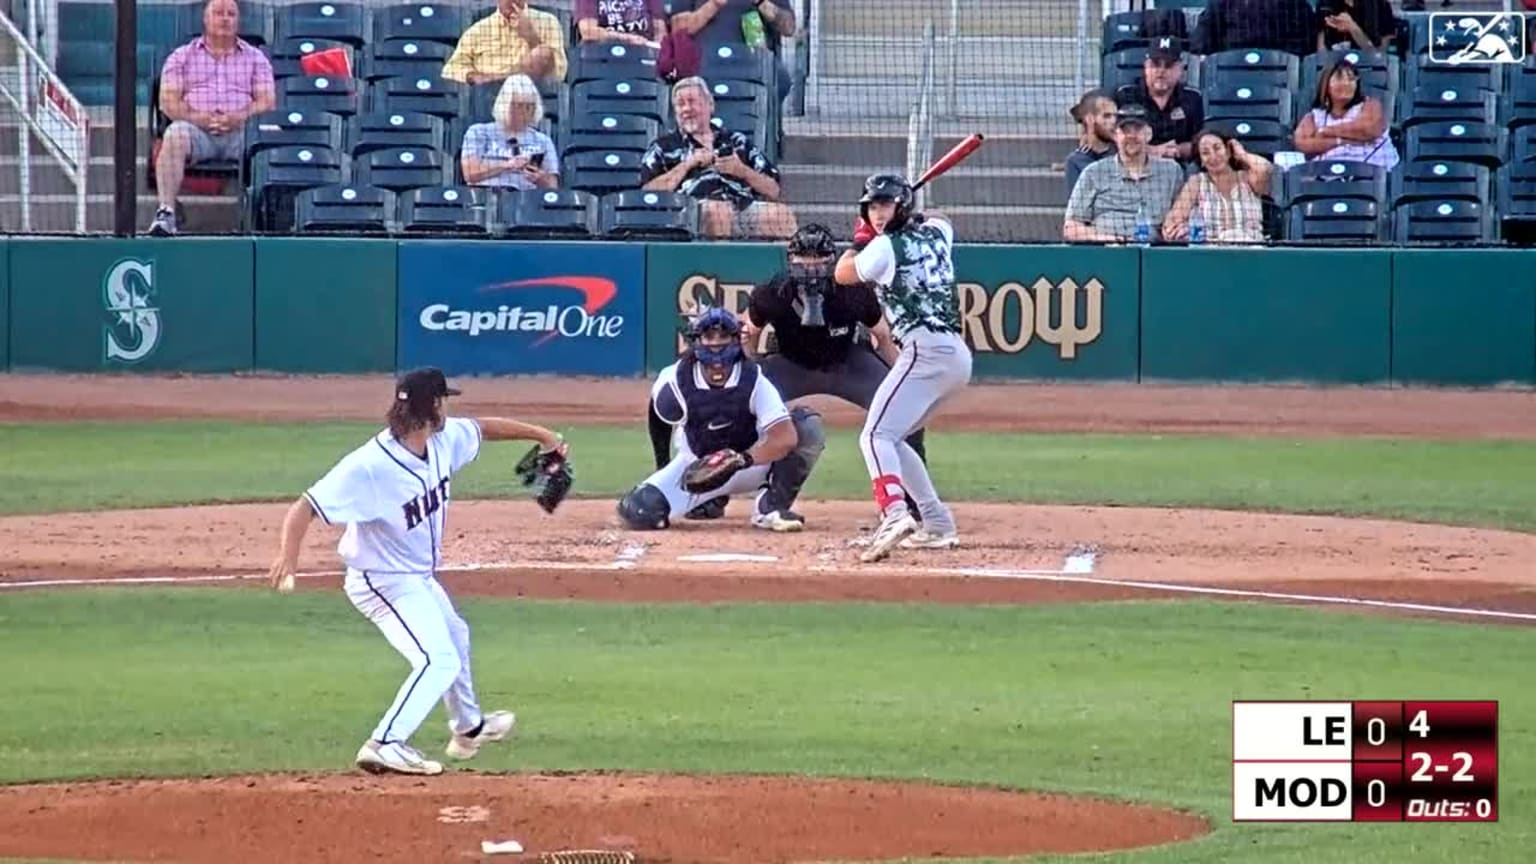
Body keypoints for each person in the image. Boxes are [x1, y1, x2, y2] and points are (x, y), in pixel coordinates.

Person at [265, 368, 570, 776]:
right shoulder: (369, 466)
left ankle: (468, 729)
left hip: (415, 576)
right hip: (380, 581)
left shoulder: (441, 441)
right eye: (445, 399)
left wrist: (544, 435)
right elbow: (305, 506)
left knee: (456, 636)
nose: (450, 406)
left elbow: (484, 428)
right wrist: (289, 556)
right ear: (434, 406)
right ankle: (385, 742)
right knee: (437, 659)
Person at [646, 224, 931, 528]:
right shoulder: (773, 292)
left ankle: (913, 499)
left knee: (904, 412)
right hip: (791, 364)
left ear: (831, 259)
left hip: (847, 362)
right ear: (790, 260)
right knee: (734, 408)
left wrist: (905, 383)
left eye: (818, 257)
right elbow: (749, 336)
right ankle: (712, 493)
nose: (810, 265)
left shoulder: (852, 290)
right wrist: (744, 381)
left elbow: (882, 338)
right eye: (802, 257)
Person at [833, 175, 972, 562]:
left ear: (902, 208)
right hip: (955, 356)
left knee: (873, 436)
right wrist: (902, 211)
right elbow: (941, 217)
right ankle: (937, 523)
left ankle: (894, 513)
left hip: (924, 350)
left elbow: (842, 274)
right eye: (871, 207)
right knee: (894, 436)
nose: (876, 213)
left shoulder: (882, 249)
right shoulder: (939, 233)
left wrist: (859, 239)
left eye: (884, 206)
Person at [618, 307, 824, 531]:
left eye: (723, 335)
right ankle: (710, 499)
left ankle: (770, 507)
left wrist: (740, 460)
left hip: (752, 463)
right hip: (696, 469)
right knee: (639, 510)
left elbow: (784, 437)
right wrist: (663, 465)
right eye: (708, 336)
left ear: (735, 339)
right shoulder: (675, 379)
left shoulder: (753, 379)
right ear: (696, 340)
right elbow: (659, 417)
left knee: (807, 426)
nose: (716, 343)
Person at [148, 0, 275, 237]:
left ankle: (262, 218)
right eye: (218, 13)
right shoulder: (181, 57)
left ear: (238, 21)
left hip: (241, 134)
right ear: (205, 19)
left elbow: (267, 101)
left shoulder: (255, 58)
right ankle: (166, 212)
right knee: (174, 134)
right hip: (197, 132)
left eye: (231, 14)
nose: (225, 18)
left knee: (266, 142)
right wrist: (201, 119)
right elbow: (168, 102)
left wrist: (238, 118)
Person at [639, 76, 796, 239]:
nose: (686, 109)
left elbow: (773, 190)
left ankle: (790, 264)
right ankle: (722, 264)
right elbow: (648, 192)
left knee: (780, 215)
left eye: (692, 101)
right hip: (690, 213)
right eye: (680, 104)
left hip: (742, 207)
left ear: (710, 105)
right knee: (718, 211)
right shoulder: (663, 147)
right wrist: (687, 165)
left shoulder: (737, 141)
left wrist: (741, 170)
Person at [1063, 106, 1184, 243]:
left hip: (1154, 252)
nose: (1131, 136)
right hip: (1106, 250)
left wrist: (1177, 229)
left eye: (1137, 130)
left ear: (1149, 134)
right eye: (1125, 131)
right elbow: (1071, 228)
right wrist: (1108, 239)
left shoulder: (1171, 171)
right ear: (1115, 135)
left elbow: (1181, 218)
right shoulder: (1093, 172)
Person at [1161, 128, 1273, 244]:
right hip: (1211, 252)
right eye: (1205, 153)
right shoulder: (1197, 183)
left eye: (1217, 148)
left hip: (1250, 249)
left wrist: (1242, 154)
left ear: (1228, 152)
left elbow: (1265, 168)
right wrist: (1183, 230)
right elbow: (1170, 225)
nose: (1213, 156)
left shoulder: (1247, 178)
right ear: (1202, 161)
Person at [1292, 57, 1399, 170]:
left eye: (1351, 78)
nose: (1346, 83)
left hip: (1372, 176)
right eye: (1339, 78)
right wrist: (1341, 141)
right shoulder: (1314, 116)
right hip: (1329, 178)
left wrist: (1326, 131)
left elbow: (1369, 129)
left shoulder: (1370, 105)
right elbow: (1302, 143)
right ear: (1326, 84)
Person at [459, 74, 560, 190]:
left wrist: (540, 178)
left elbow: (553, 186)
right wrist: (507, 165)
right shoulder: (478, 132)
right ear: (505, 106)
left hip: (527, 201)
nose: (524, 112)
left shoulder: (543, 141)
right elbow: (469, 174)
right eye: (518, 106)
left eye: (529, 107)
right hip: (485, 197)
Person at [1112, 36, 1203, 163]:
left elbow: (1201, 141)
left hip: (1180, 164)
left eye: (1168, 66)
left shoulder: (1193, 98)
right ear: (1146, 67)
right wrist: (1153, 151)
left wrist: (1177, 150)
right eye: (1155, 65)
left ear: (1180, 69)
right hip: (1135, 162)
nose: (1161, 71)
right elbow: (1112, 137)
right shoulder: (1125, 95)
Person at [441, 0, 568, 85]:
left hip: (532, 93)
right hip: (488, 95)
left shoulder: (548, 22)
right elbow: (450, 70)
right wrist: (474, 76)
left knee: (542, 52)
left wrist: (531, 37)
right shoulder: (478, 30)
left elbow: (559, 73)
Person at [1065, 89, 1118, 199]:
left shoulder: (1122, 155)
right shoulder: (1076, 161)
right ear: (1089, 119)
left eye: (1115, 116)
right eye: (1106, 116)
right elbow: (1077, 205)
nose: (1114, 121)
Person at [1315, 0, 1397, 53]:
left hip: (1370, 73)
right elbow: (1321, 54)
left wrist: (1353, 28)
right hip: (1334, 73)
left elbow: (1380, 58)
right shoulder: (1325, 6)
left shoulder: (1382, 7)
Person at [576, 0, 668, 47]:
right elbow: (588, 32)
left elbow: (660, 32)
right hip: (601, 58)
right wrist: (626, 38)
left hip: (642, 57)